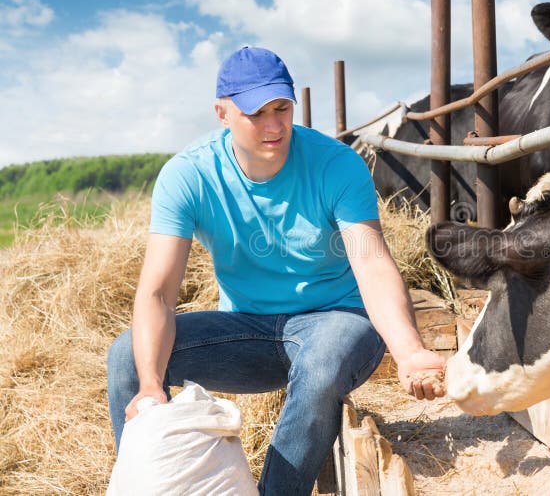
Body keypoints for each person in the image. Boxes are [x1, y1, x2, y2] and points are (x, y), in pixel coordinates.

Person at [106, 46, 446, 495]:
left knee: (322, 364)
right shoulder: (187, 176)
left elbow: (371, 260)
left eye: (282, 108)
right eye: (256, 113)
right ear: (222, 113)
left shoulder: (336, 165)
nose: (273, 125)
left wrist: (409, 351)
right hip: (248, 330)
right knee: (127, 356)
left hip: (338, 320)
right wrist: (151, 384)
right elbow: (158, 294)